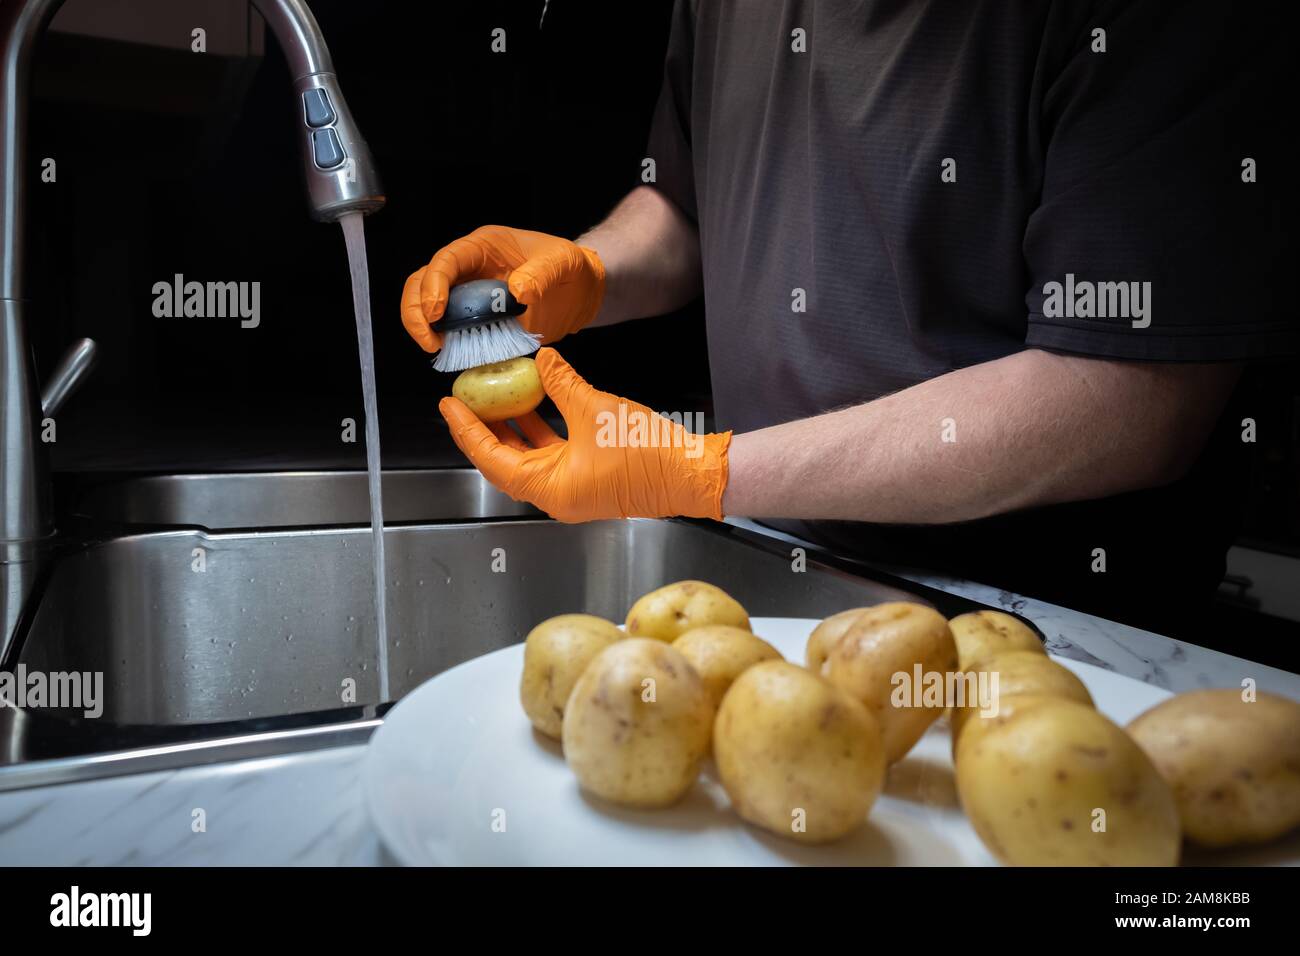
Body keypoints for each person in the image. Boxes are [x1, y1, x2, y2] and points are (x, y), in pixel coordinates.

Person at [400, 1, 1292, 637]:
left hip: (1046, 632)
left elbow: (1131, 400)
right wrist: (591, 270)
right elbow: (687, 207)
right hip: (771, 561)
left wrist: (704, 470)